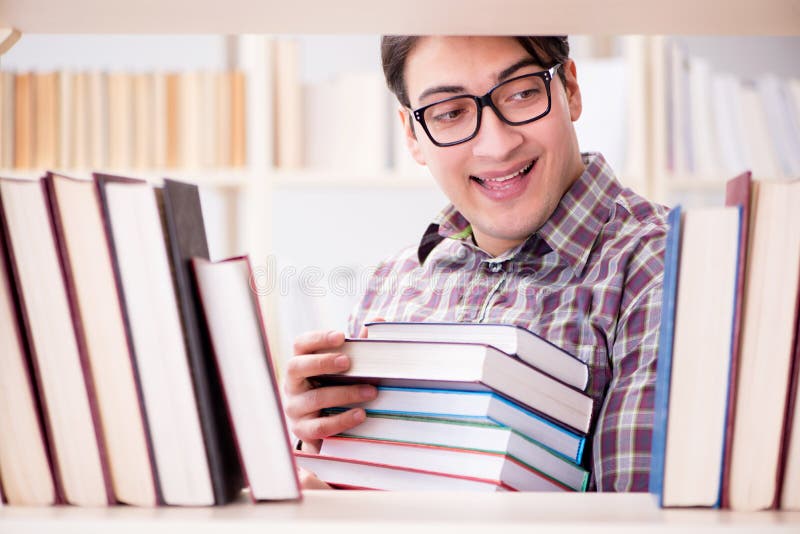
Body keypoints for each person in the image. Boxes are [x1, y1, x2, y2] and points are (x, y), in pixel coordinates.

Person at [283, 35, 668, 492]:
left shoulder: (662, 266)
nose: (496, 145)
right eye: (450, 112)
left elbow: (641, 520)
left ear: (570, 88)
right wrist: (321, 475)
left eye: (522, 91)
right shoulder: (393, 281)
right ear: (413, 135)